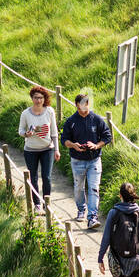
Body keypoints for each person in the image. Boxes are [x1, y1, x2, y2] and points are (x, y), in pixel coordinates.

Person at [60, 94, 111, 229]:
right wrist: (74, 145)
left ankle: (92, 217)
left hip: (94, 159)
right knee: (79, 188)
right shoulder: (71, 121)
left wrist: (96, 146)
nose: (84, 107)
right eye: (81, 104)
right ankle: (81, 209)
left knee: (94, 188)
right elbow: (64, 140)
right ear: (76, 105)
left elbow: (107, 136)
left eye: (86, 104)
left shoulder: (97, 119)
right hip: (77, 160)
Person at [17, 86, 58, 214]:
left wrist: (57, 149)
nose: (38, 100)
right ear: (32, 98)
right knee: (33, 177)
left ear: (44, 98)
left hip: (48, 149)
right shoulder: (25, 113)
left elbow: (54, 132)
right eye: (36, 98)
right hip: (30, 150)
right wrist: (26, 134)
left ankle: (47, 203)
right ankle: (37, 204)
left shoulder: (50, 111)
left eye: (40, 98)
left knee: (47, 177)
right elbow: (20, 131)